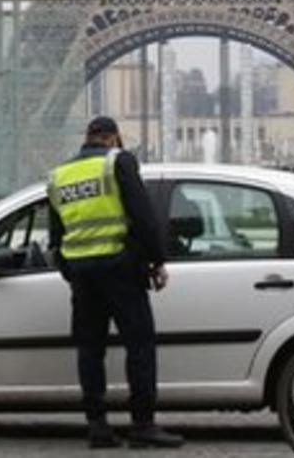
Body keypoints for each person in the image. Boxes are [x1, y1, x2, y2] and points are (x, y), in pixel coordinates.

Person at [47, 116, 184, 450]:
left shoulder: (59, 176)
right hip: (120, 269)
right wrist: (157, 260)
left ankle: (97, 427)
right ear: (113, 138)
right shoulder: (117, 162)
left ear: (88, 137)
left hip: (82, 273)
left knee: (90, 350)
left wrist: (72, 269)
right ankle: (142, 425)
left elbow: (55, 236)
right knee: (139, 346)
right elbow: (143, 214)